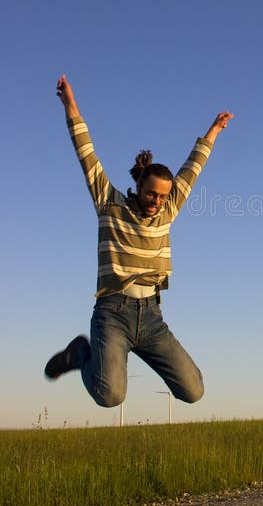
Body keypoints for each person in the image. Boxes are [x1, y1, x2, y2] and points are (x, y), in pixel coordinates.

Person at [44, 75, 233, 410]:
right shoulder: (109, 203)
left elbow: (194, 167)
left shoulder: (169, 209)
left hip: (151, 317)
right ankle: (80, 353)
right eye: (151, 193)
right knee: (110, 395)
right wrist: (70, 104)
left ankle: (111, 355)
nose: (157, 201)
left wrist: (214, 130)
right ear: (139, 183)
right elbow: (85, 151)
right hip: (112, 314)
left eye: (163, 196)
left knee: (194, 391)